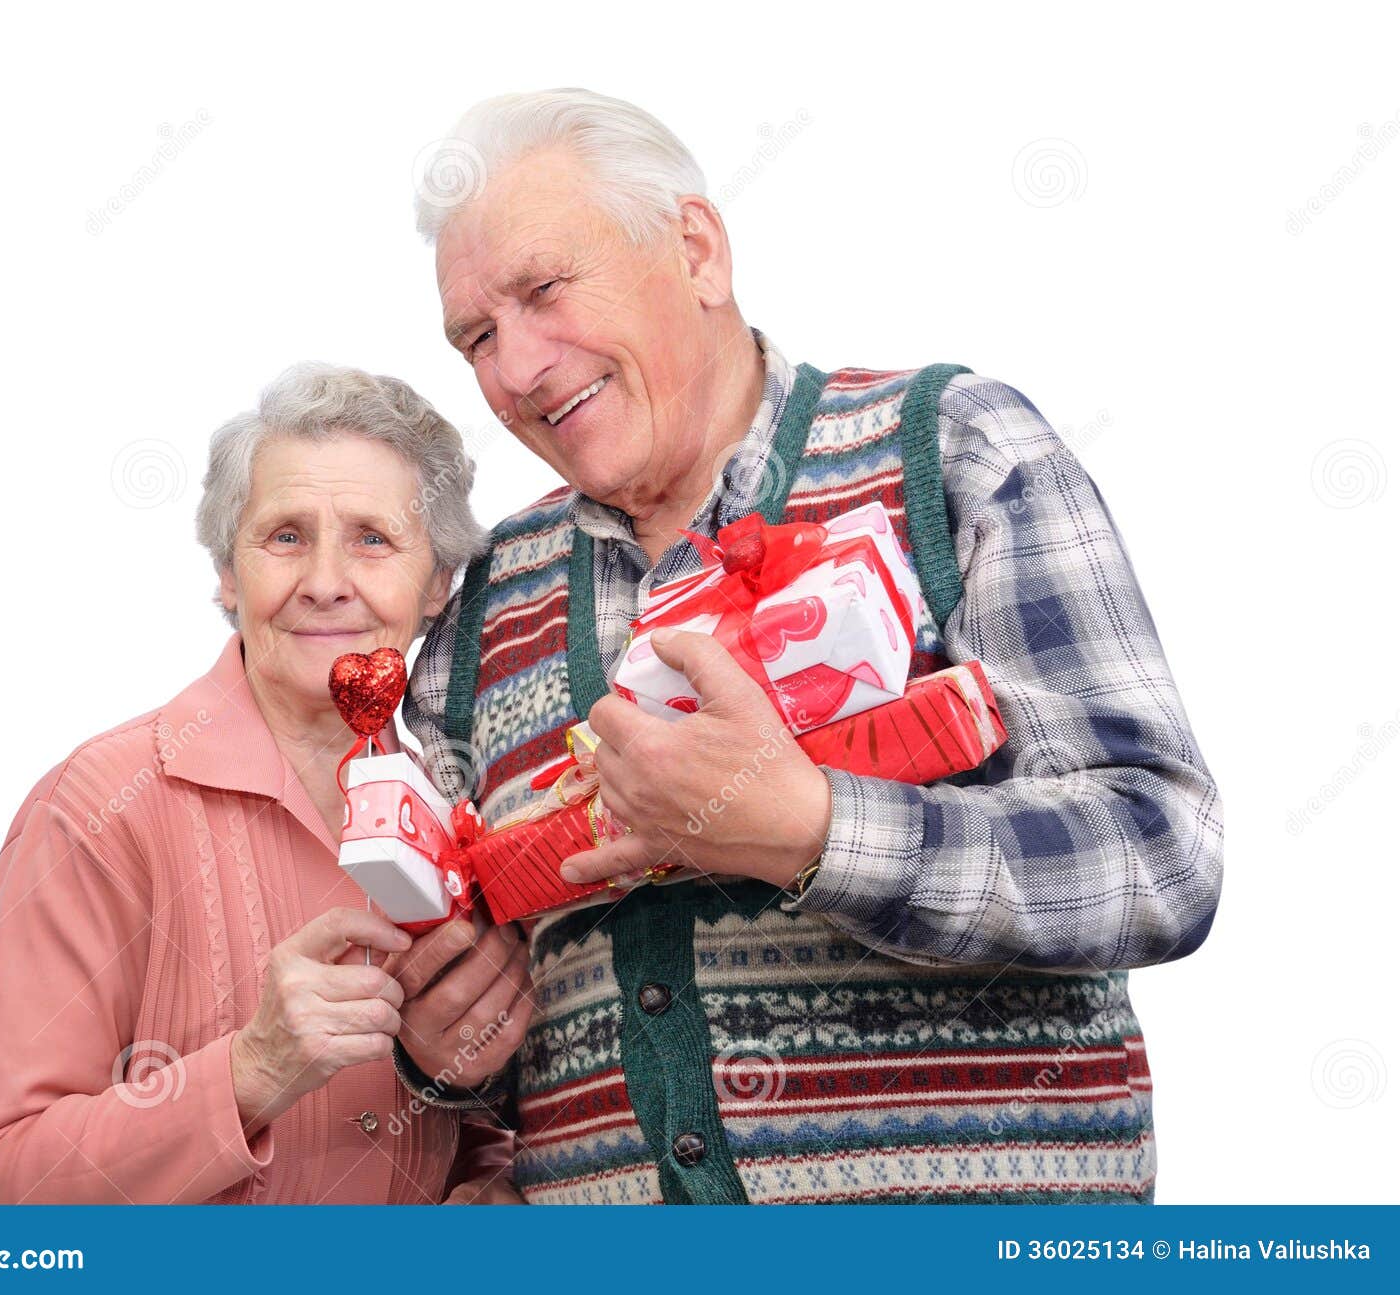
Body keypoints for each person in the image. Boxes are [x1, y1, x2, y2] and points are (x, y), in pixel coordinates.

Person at [400, 89, 1224, 1204]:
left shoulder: (952, 453)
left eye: (545, 290)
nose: (518, 368)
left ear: (694, 248)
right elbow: (499, 1078)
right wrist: (442, 1053)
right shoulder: (480, 607)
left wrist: (812, 830)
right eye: (477, 337)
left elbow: (1160, 853)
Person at [0, 363, 527, 1203]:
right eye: (285, 535)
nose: (326, 580)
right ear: (227, 572)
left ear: (438, 583)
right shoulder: (100, 806)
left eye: (372, 537)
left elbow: (478, 1129)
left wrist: (488, 1182)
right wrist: (253, 1069)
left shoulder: (466, 803)